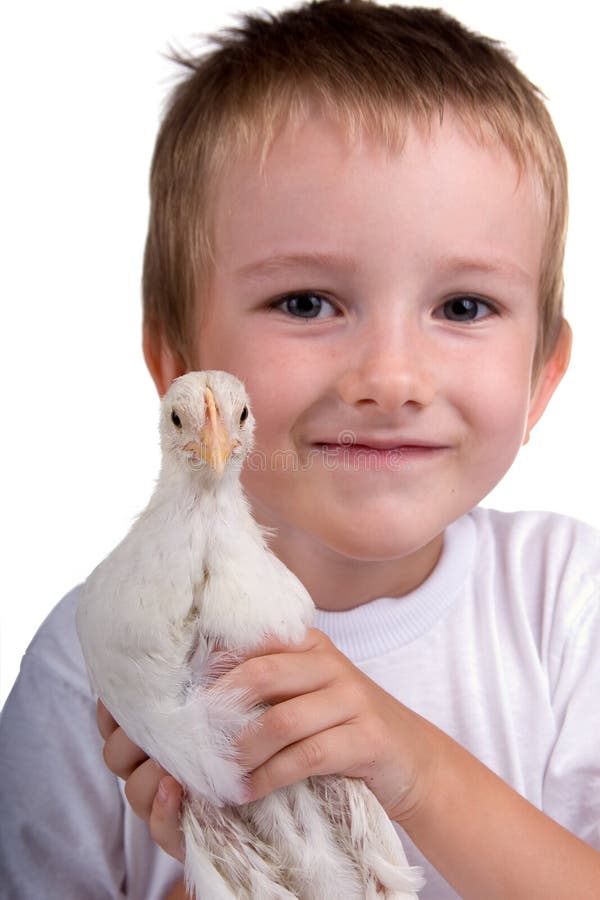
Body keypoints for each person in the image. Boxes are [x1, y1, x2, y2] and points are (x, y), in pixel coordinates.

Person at [1, 1, 599, 897]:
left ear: (542, 379)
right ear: (179, 367)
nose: (391, 378)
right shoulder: (88, 664)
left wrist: (415, 773)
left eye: (463, 307)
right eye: (307, 303)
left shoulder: (568, 606)